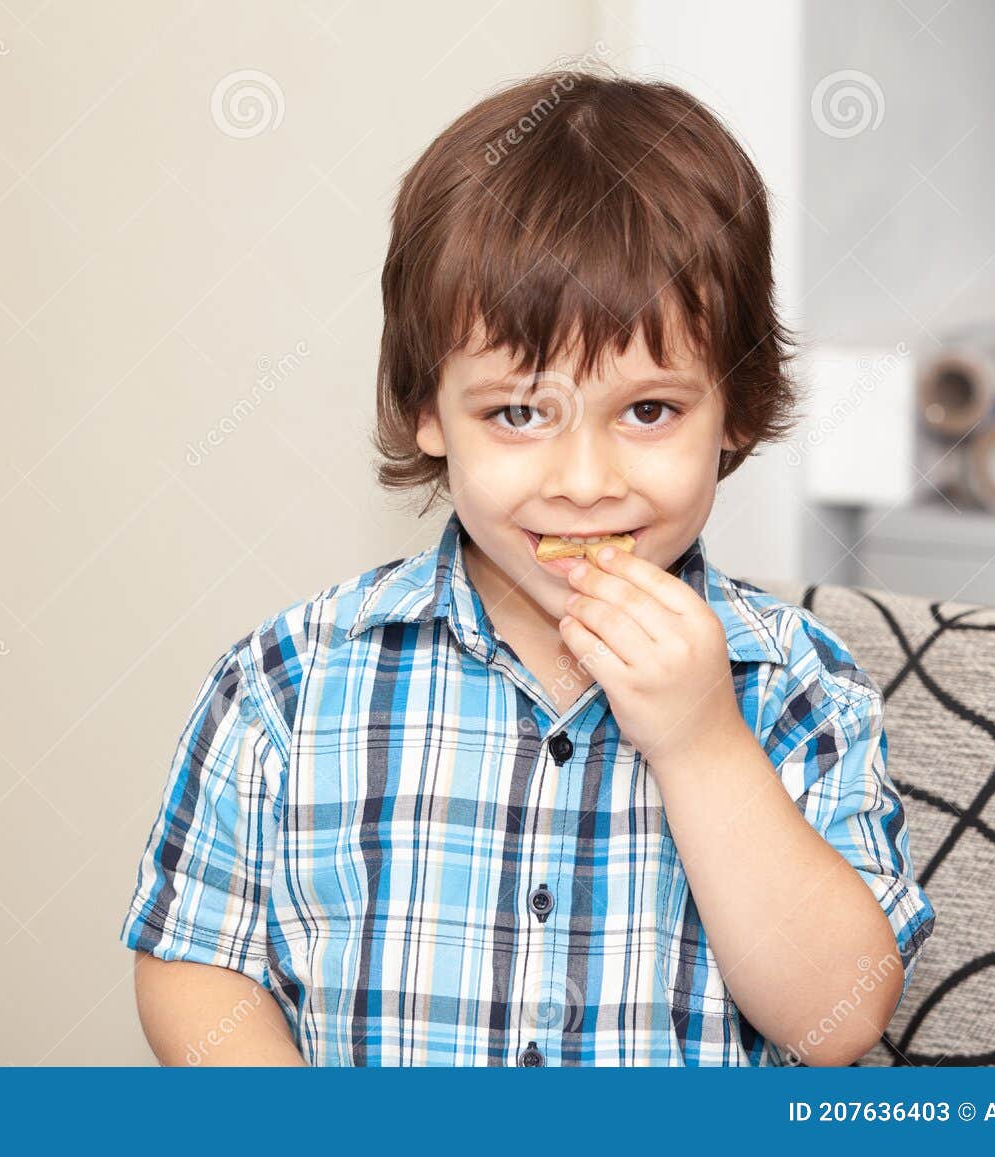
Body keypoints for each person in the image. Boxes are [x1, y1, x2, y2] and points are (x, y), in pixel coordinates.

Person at [122, 69, 935, 1067]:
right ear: (425, 409)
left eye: (649, 410)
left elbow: (835, 1020)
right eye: (517, 412)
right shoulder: (287, 680)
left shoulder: (794, 684)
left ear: (739, 404)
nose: (584, 483)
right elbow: (195, 958)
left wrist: (702, 742)